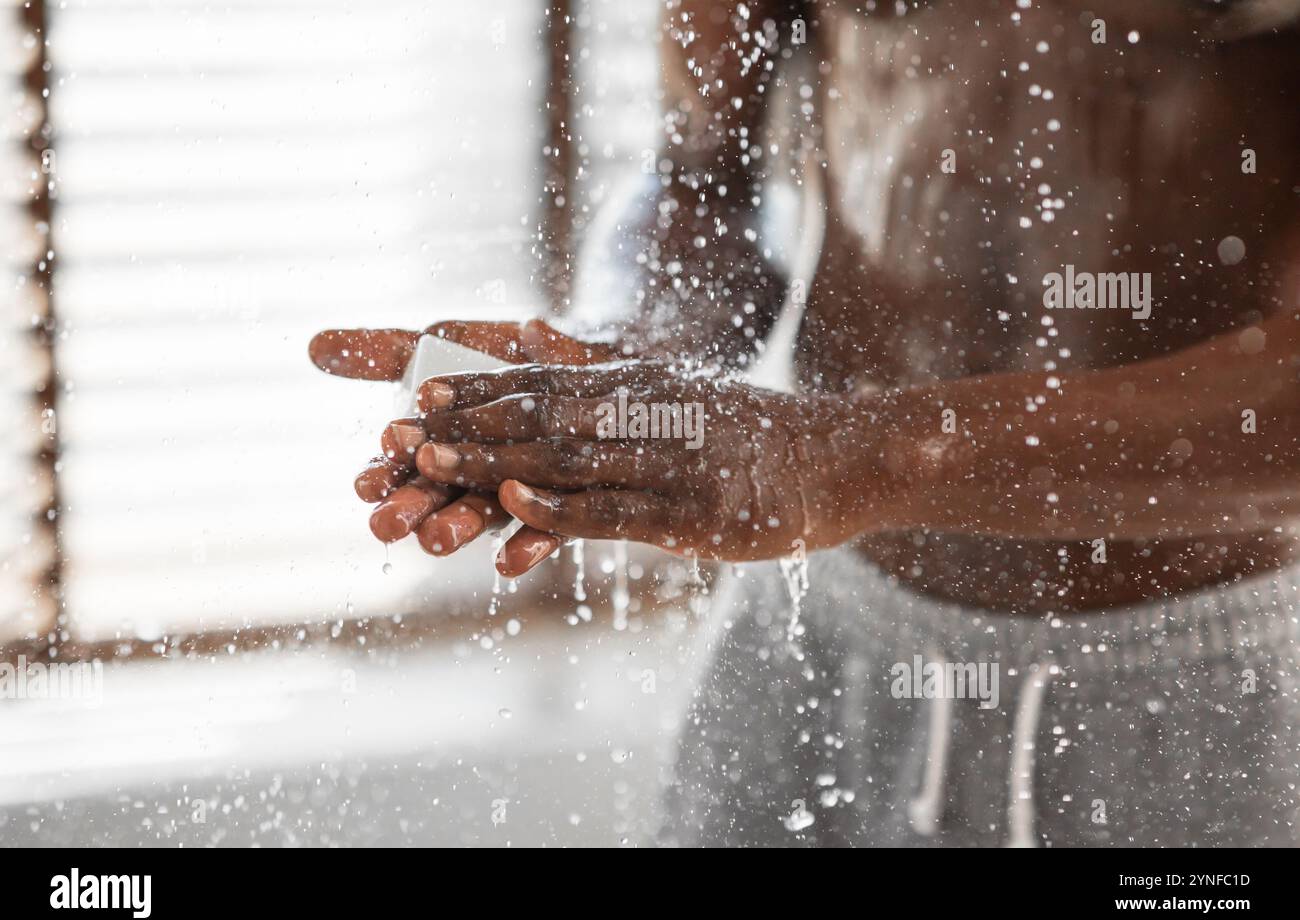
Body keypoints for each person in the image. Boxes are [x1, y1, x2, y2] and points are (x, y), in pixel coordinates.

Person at [309, 0, 1300, 846]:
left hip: (1212, 690)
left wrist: (858, 459)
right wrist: (617, 351)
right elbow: (695, 185)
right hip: (813, 638)